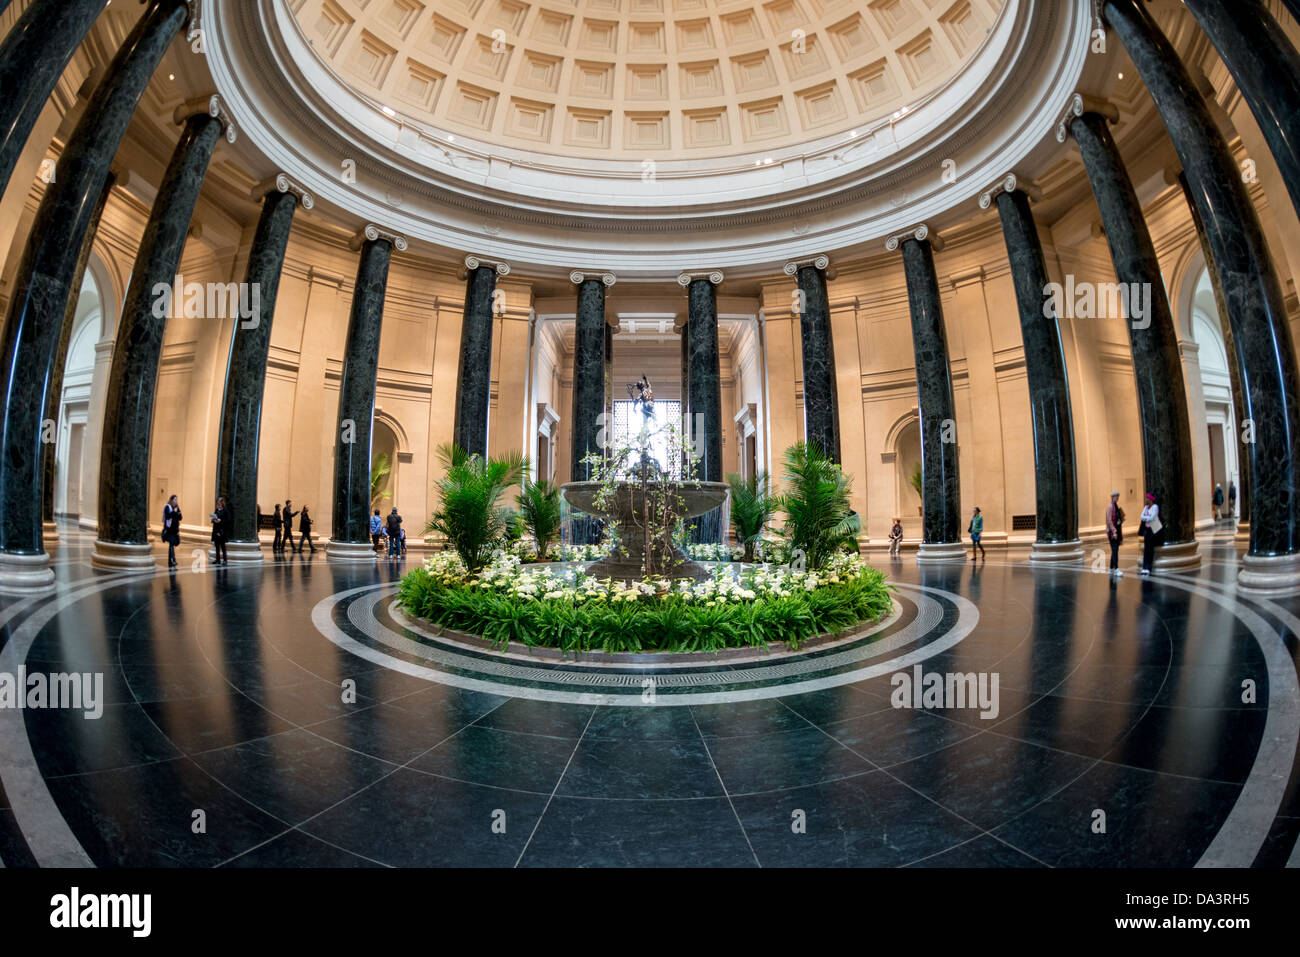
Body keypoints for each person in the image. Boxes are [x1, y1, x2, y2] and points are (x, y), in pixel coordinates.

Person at [1139, 491, 1162, 576]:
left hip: (1152, 530)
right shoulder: (1146, 507)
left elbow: (1152, 518)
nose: (1146, 500)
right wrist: (1147, 518)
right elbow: (1141, 517)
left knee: (1150, 549)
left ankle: (1149, 567)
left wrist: (1146, 518)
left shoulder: (1155, 507)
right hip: (1146, 530)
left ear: (1151, 499)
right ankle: (1144, 567)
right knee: (1146, 549)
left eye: (1147, 498)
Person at [1105, 490, 1124, 579]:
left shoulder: (1116, 507)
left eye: (1118, 496)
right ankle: (1116, 569)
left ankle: (1111, 569)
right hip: (1112, 533)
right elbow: (1109, 520)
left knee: (1115, 550)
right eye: (1116, 496)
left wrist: (1121, 520)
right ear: (1112, 497)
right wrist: (1114, 531)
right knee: (1115, 550)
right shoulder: (1110, 507)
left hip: (1117, 531)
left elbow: (1117, 518)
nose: (1117, 498)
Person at [162, 494, 182, 568]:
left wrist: (177, 513)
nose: (176, 501)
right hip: (169, 530)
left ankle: (169, 562)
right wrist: (174, 512)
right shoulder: (167, 507)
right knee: (171, 545)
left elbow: (180, 517)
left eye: (177, 499)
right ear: (171, 500)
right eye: (175, 499)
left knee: (173, 544)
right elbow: (167, 517)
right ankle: (174, 560)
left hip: (175, 530)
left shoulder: (177, 508)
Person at [211, 496, 230, 566]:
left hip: (222, 530)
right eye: (217, 503)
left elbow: (228, 520)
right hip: (216, 530)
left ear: (222, 503)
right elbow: (215, 516)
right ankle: (218, 559)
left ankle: (225, 560)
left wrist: (221, 520)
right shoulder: (216, 510)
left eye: (219, 503)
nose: (218, 504)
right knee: (216, 546)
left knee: (223, 546)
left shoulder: (225, 511)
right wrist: (213, 519)